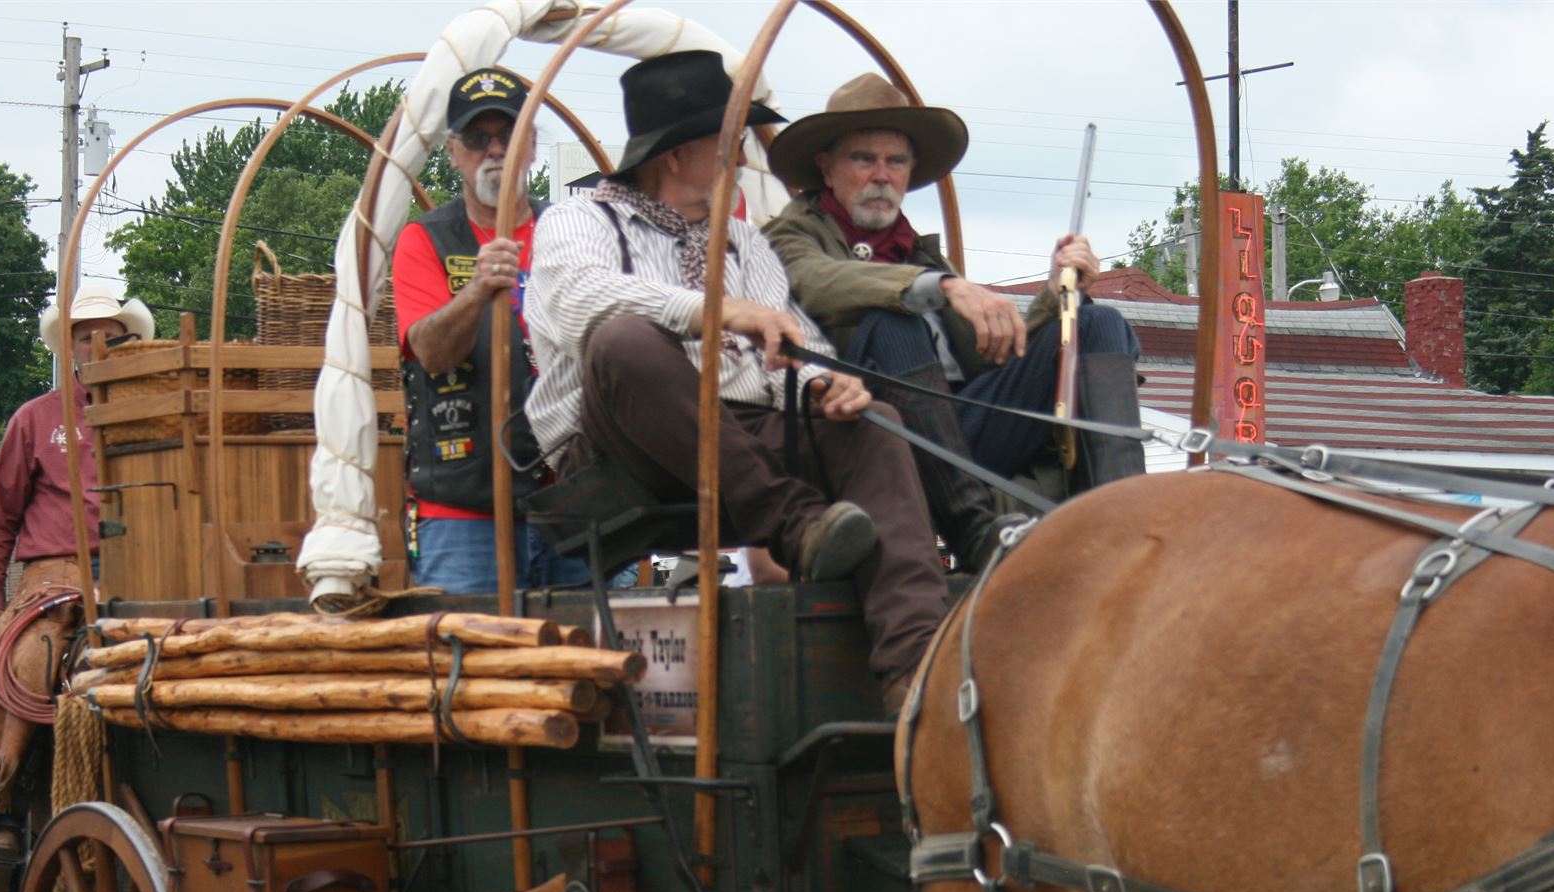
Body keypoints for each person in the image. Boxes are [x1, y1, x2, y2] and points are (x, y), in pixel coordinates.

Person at [526, 50, 948, 713]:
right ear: (675, 154)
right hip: (622, 447)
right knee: (624, 339)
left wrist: (819, 383)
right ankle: (795, 522)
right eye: (729, 139)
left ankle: (917, 671)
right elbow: (582, 303)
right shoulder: (581, 221)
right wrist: (713, 313)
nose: (741, 153)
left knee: (875, 426)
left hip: (738, 438)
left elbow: (794, 335)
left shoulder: (745, 245)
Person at [762, 74, 1146, 522]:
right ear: (827, 167)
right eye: (864, 159)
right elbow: (816, 279)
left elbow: (993, 356)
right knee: (895, 320)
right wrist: (940, 287)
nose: (882, 176)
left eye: (896, 161)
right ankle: (973, 527)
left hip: (963, 429)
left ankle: (1128, 516)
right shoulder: (790, 235)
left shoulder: (918, 251)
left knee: (1097, 322)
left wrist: (1056, 290)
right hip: (875, 436)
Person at [0, 288, 150, 862]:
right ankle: (1, 812)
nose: (97, 344)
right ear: (67, 346)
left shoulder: (156, 411)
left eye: (110, 334)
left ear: (129, 340)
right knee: (21, 670)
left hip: (146, 572)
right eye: (83, 334)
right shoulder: (35, 420)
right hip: (55, 579)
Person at [392, 66, 594, 593]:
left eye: (509, 136)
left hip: (572, 504)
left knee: (584, 668)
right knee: (473, 667)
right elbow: (431, 353)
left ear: (530, 146)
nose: (495, 151)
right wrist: (478, 290)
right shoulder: (425, 239)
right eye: (478, 139)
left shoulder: (571, 232)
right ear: (454, 151)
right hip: (462, 511)